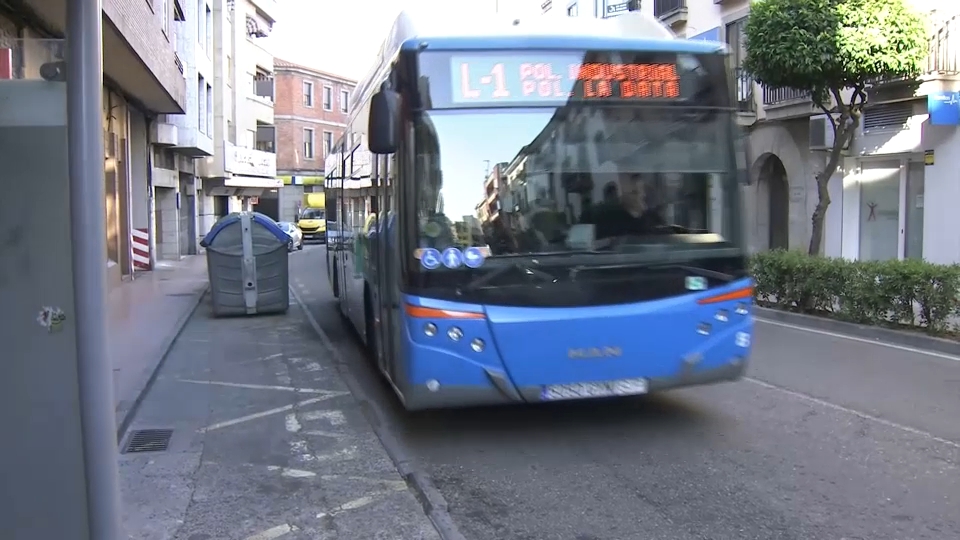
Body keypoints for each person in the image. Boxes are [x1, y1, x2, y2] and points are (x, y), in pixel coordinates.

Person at [581, 172, 666, 239]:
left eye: (636, 177)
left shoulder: (655, 220)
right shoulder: (594, 217)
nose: (633, 185)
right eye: (624, 177)